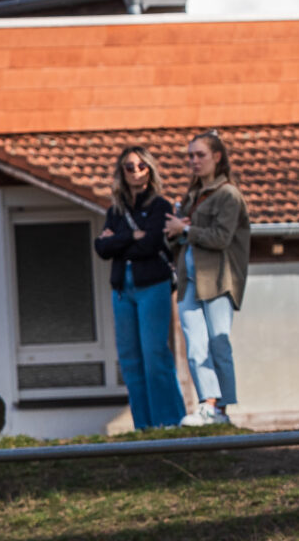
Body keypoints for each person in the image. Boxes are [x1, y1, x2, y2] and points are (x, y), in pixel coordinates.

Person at [94, 145, 185, 430]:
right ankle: (143, 426)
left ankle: (169, 421)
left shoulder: (160, 206)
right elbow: (101, 248)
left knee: (154, 353)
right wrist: (130, 235)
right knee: (130, 359)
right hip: (123, 287)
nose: (135, 171)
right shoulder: (115, 211)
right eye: (129, 167)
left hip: (152, 285)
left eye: (141, 166)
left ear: (150, 170)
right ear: (121, 172)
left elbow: (151, 244)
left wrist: (118, 239)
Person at [164, 130, 250, 428]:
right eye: (190, 156)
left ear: (217, 157)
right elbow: (178, 236)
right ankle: (207, 403)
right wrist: (175, 230)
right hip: (189, 279)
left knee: (218, 342)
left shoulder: (228, 194)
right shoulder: (191, 196)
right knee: (195, 344)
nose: (194, 161)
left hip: (217, 280)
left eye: (199, 155)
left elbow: (221, 237)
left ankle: (223, 407)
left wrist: (185, 230)